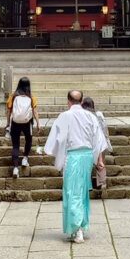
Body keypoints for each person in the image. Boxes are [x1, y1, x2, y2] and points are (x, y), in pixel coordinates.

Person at [42, 90, 109, 243]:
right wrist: (98, 158)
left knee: (73, 192)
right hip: (86, 156)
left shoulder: (65, 116)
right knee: (81, 191)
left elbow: (57, 139)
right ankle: (77, 227)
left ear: (68, 101)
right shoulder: (90, 116)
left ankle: (77, 227)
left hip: (73, 156)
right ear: (81, 100)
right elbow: (99, 140)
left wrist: (52, 151)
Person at [5, 77, 38, 178]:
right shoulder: (31, 97)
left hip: (15, 123)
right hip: (27, 123)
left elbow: (9, 111)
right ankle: (25, 158)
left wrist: (7, 123)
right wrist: (38, 123)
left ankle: (15, 168)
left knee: (15, 145)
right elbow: (35, 111)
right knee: (28, 140)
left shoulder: (13, 96)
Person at [81, 96, 111, 196]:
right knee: (100, 164)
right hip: (101, 142)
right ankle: (102, 184)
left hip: (88, 143)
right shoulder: (99, 115)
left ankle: (86, 185)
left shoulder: (83, 116)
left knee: (86, 164)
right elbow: (105, 128)